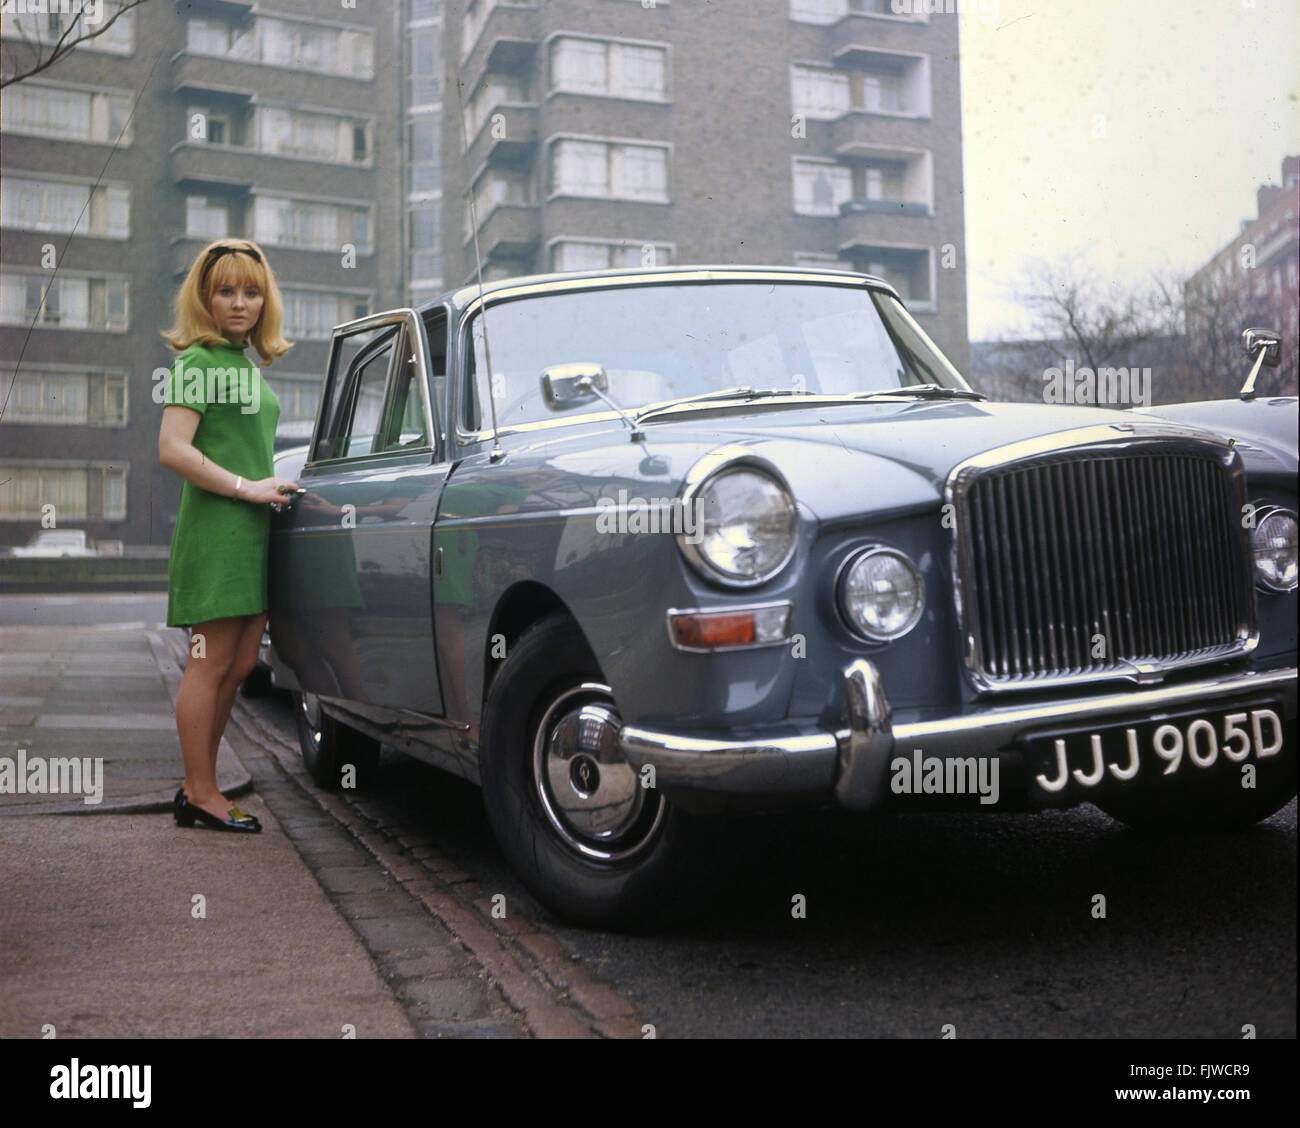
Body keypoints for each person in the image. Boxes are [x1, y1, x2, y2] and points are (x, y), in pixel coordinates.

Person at [158, 239, 300, 832]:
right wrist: (248, 487)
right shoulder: (199, 363)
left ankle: (203, 784)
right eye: (225, 291)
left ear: (266, 300)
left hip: (249, 532)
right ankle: (200, 791)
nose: (239, 303)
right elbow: (172, 450)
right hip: (218, 530)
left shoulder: (243, 363)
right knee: (208, 663)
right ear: (205, 298)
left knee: (240, 663)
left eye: (251, 291)